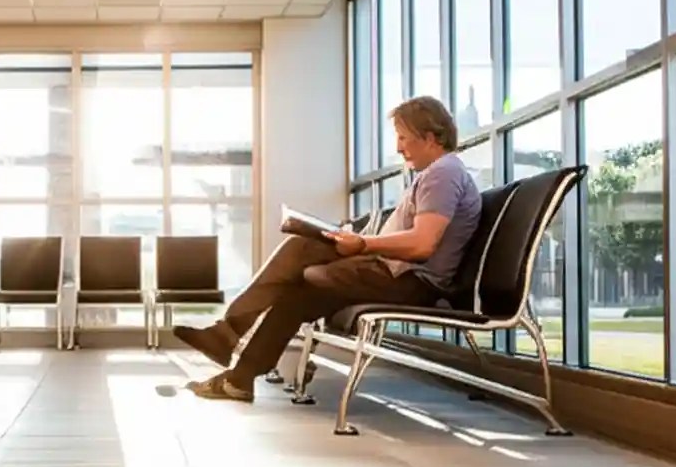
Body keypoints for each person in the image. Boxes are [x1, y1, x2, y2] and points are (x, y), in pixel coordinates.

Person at [174, 96, 482, 401]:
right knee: (298, 286)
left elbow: (421, 245)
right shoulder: (440, 173)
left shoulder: (442, 174)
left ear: (429, 137)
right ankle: (238, 377)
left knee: (300, 253)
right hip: (396, 274)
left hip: (411, 283)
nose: (398, 147)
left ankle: (227, 334)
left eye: (403, 137)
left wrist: (362, 244)